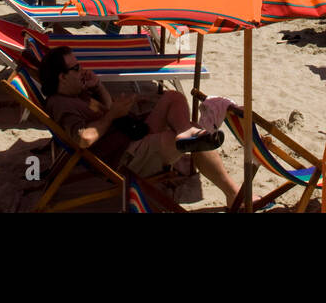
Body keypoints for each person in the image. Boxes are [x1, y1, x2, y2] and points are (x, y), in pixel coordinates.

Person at [39, 46, 239, 205]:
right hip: (123, 155)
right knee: (189, 138)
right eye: (76, 68)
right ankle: (234, 193)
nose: (81, 70)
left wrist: (98, 86)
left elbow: (106, 107)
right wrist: (112, 115)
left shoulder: (76, 92)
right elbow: (83, 139)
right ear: (62, 77)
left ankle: (186, 132)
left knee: (173, 97)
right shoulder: (60, 104)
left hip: (130, 132)